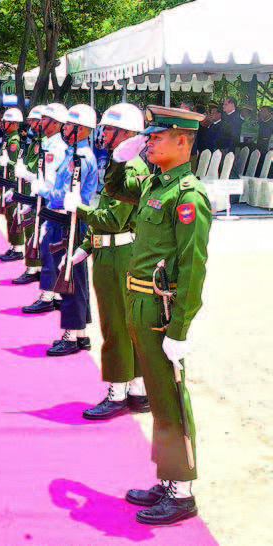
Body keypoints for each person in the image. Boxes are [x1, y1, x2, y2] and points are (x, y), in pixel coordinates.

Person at [102, 105, 209, 526]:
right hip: (139, 302)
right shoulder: (155, 185)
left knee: (169, 398)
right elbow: (116, 191)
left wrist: (179, 329)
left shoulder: (187, 196)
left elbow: (193, 267)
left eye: (157, 137)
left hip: (161, 310)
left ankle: (181, 492)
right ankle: (166, 478)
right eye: (148, 136)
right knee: (158, 397)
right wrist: (117, 160)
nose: (148, 143)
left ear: (182, 141)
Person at [64, 104, 150, 418]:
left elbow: (113, 219)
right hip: (110, 251)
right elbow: (107, 213)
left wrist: (79, 209)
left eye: (110, 129)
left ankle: (118, 392)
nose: (103, 134)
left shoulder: (130, 167)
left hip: (118, 255)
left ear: (127, 133)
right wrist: (87, 246)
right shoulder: (120, 164)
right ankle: (138, 390)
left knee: (116, 325)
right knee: (125, 324)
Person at [37, 105, 98, 357]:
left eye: (70, 125)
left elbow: (64, 194)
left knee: (69, 279)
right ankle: (80, 333)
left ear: (81, 129)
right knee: (75, 278)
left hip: (70, 221)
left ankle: (71, 335)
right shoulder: (75, 154)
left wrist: (42, 190)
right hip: (66, 220)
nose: (65, 128)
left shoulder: (79, 158)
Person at [21, 103, 69, 314]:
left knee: (50, 249)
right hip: (47, 201)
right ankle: (55, 294)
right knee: (49, 248)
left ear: (56, 123)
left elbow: (52, 182)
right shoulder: (47, 144)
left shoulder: (57, 148)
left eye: (44, 120)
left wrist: (35, 184)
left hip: (54, 204)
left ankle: (48, 295)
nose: (40, 123)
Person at [11, 105, 46, 285]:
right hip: (31, 189)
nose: (30, 124)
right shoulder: (36, 140)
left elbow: (38, 169)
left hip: (39, 191)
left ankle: (34, 268)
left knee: (33, 229)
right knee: (31, 229)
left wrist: (26, 172)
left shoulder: (44, 142)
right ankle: (35, 267)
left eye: (33, 121)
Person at [0, 108, 25, 262]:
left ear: (12, 123)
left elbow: (14, 166)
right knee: (8, 216)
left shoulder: (14, 141)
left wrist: (12, 186)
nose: (2, 123)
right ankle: (13, 245)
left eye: (5, 122)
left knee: (13, 216)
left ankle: (18, 248)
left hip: (11, 183)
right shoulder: (7, 139)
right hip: (5, 182)